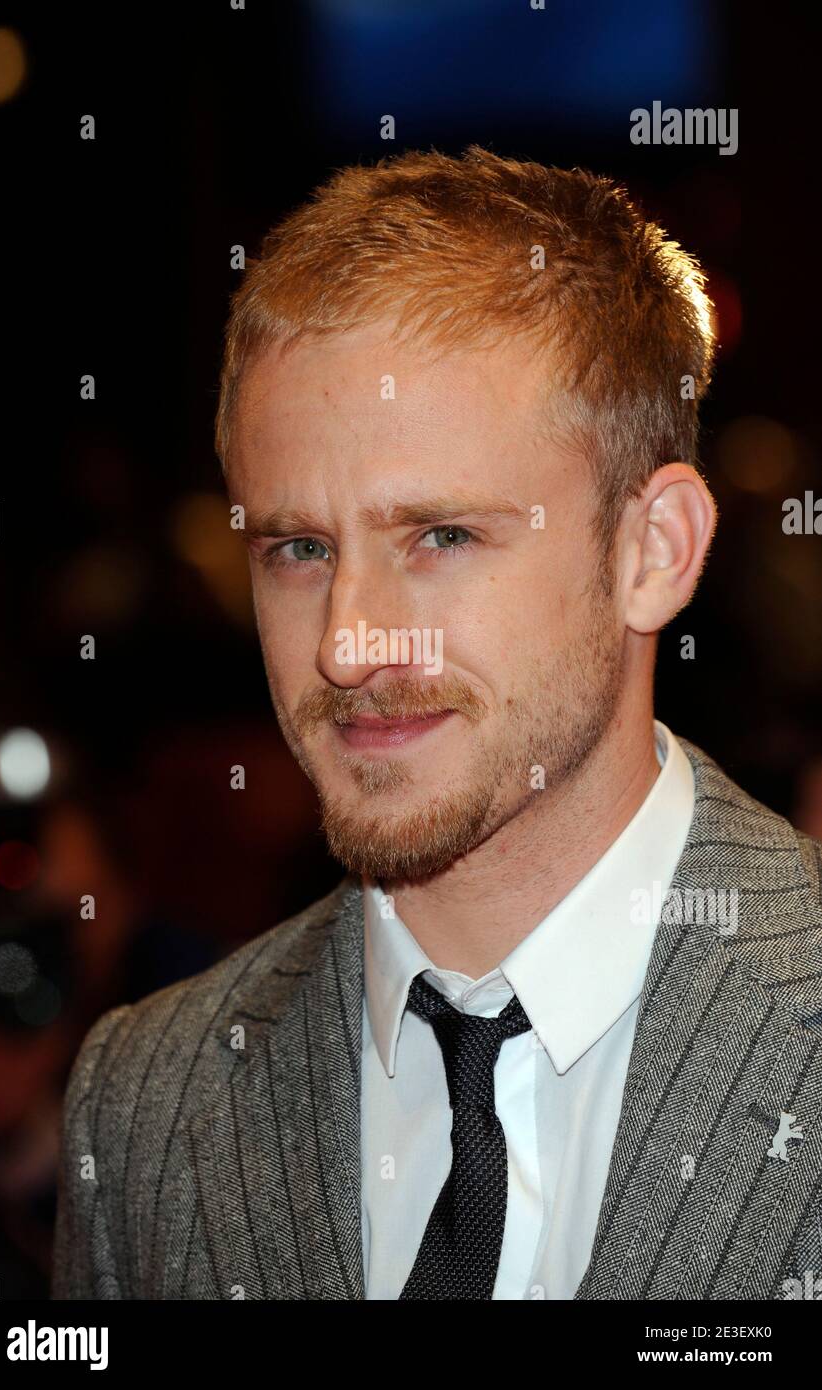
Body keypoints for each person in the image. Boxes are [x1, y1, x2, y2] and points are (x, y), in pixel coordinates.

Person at [52, 147, 822, 1301]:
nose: (347, 644)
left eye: (441, 537)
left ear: (652, 551)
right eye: (298, 550)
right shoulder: (148, 1099)